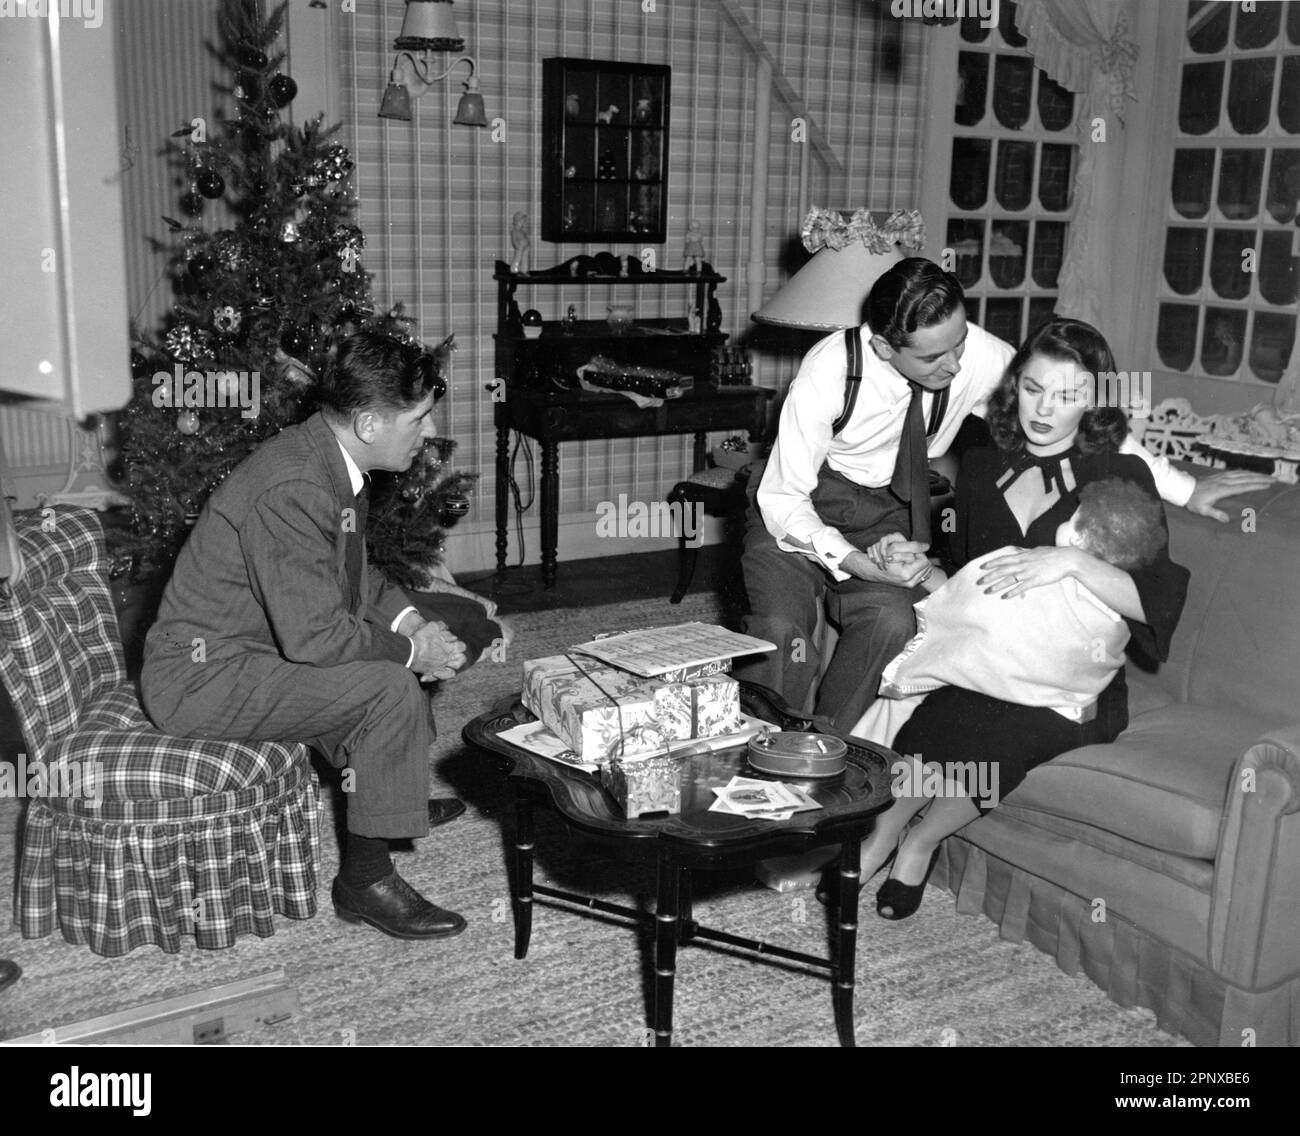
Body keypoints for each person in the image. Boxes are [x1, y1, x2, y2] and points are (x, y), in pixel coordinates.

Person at [735, 258, 1271, 733]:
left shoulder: (977, 355)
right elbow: (784, 499)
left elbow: (1088, 410)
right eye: (932, 359)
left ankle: (830, 753)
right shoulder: (830, 369)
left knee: (893, 622)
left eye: (959, 344)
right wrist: (853, 562)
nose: (954, 366)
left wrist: (1186, 486)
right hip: (798, 506)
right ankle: (759, 751)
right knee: (781, 629)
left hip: (887, 512)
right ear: (883, 347)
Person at [833, 318, 1192, 921]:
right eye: (1032, 389)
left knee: (999, 738)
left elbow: (1152, 601)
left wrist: (1070, 561)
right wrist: (915, 568)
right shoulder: (981, 464)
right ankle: (881, 838)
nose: (1045, 410)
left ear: (1094, 401)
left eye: (1068, 395)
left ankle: (918, 844)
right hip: (990, 659)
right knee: (934, 722)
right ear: (1013, 386)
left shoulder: (1118, 477)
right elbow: (966, 586)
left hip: (1072, 684)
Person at [142, 332, 480, 942]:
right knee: (387, 687)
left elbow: (355, 574)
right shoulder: (295, 484)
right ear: (372, 423)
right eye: (420, 418)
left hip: (252, 652)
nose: (427, 432)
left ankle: (384, 796)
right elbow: (318, 637)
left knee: (390, 663)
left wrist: (411, 624)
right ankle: (364, 881)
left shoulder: (331, 459)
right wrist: (411, 652)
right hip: (200, 677)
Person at [853, 476, 1168, 746]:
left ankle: (858, 771)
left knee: (899, 702)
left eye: (1071, 518)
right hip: (1048, 700)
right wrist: (925, 574)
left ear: (1076, 536)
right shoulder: (1112, 609)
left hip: (982, 684)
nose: (1063, 521)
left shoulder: (1033, 567)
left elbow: (973, 601)